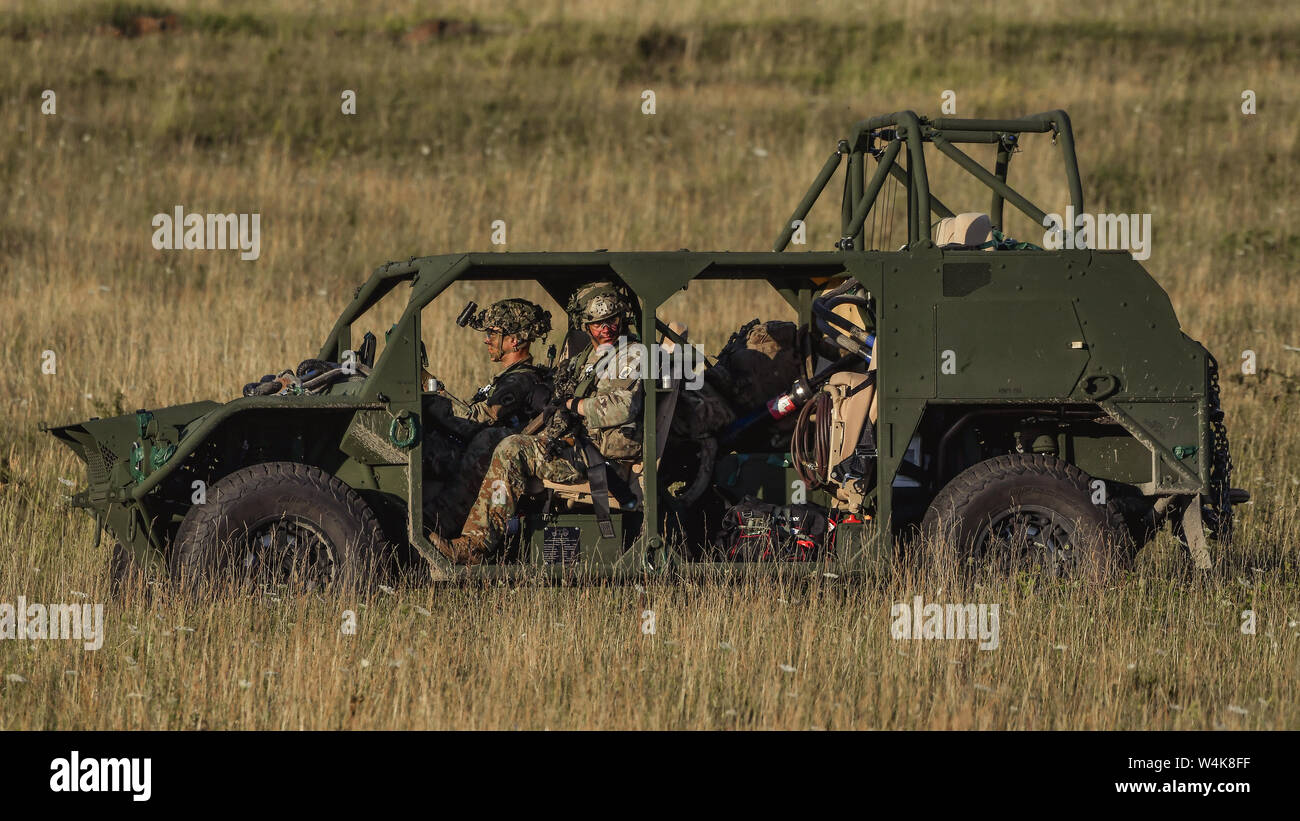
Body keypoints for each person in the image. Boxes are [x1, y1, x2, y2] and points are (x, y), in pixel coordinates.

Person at [428, 281, 644, 564]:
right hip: (573, 445)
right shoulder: (587, 359)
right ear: (587, 324)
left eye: (612, 321)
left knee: (512, 448)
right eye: (598, 323)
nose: (606, 329)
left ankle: (475, 547)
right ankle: (452, 528)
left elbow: (624, 408)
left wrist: (573, 405)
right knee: (500, 441)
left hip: (596, 457)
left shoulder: (632, 355)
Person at [422, 298, 553, 536]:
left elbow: (475, 419)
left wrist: (431, 395)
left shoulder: (520, 380)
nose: (486, 340)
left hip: (491, 457)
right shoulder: (509, 378)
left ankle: (439, 526)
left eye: (493, 334)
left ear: (514, 341)